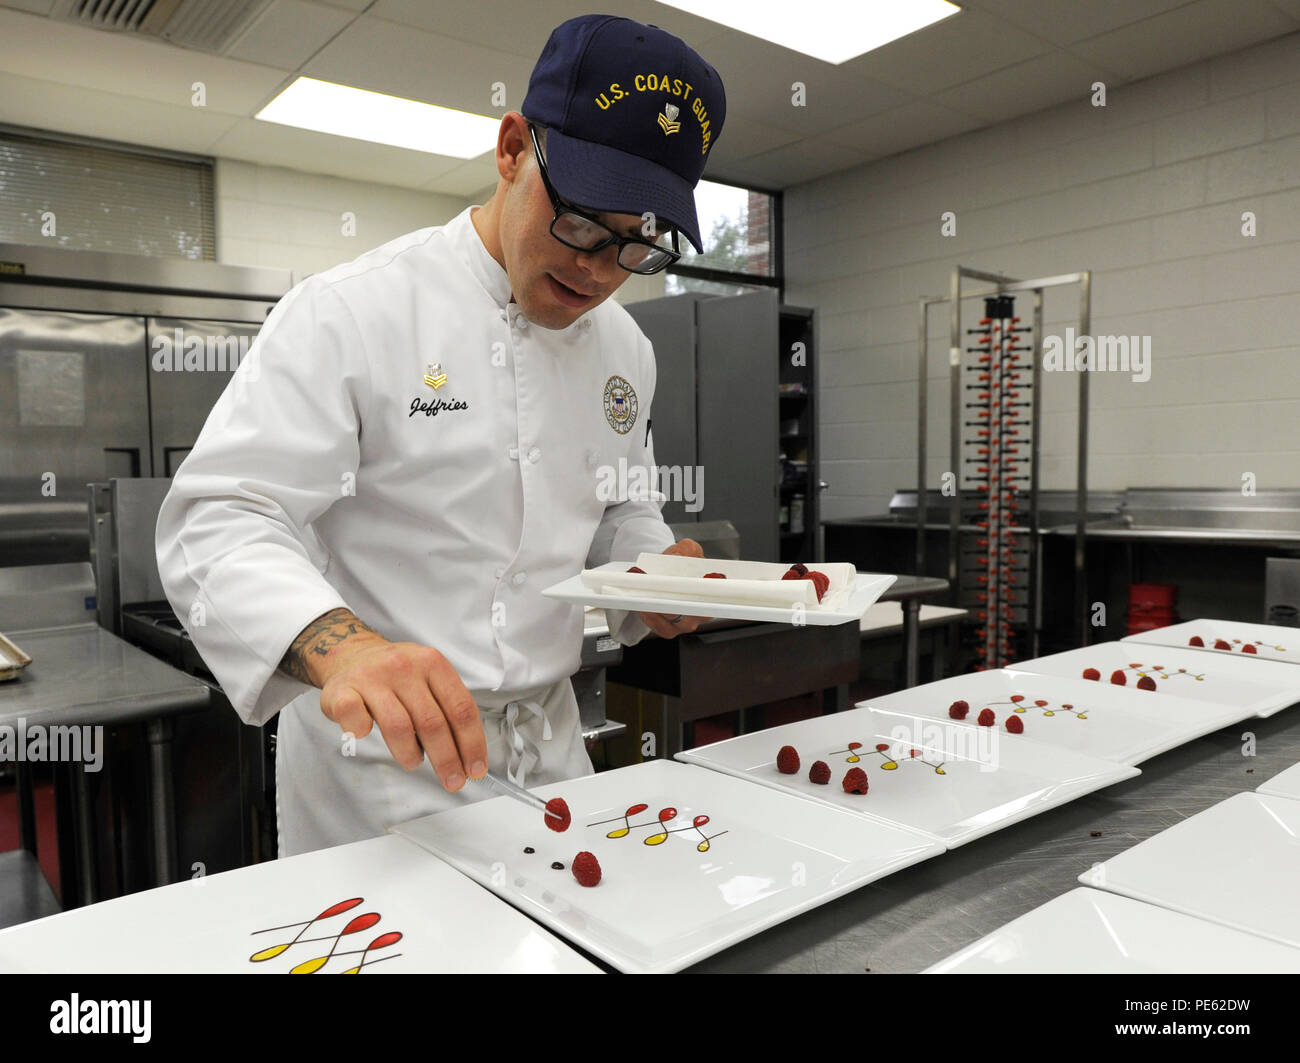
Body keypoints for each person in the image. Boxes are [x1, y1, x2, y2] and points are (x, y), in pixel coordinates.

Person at [155, 14, 727, 856]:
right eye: (581, 225)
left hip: (554, 756)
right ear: (511, 149)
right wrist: (345, 649)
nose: (598, 270)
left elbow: (617, 510)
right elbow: (221, 516)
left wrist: (652, 573)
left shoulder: (625, 351)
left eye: (637, 247)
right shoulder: (353, 309)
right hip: (384, 773)